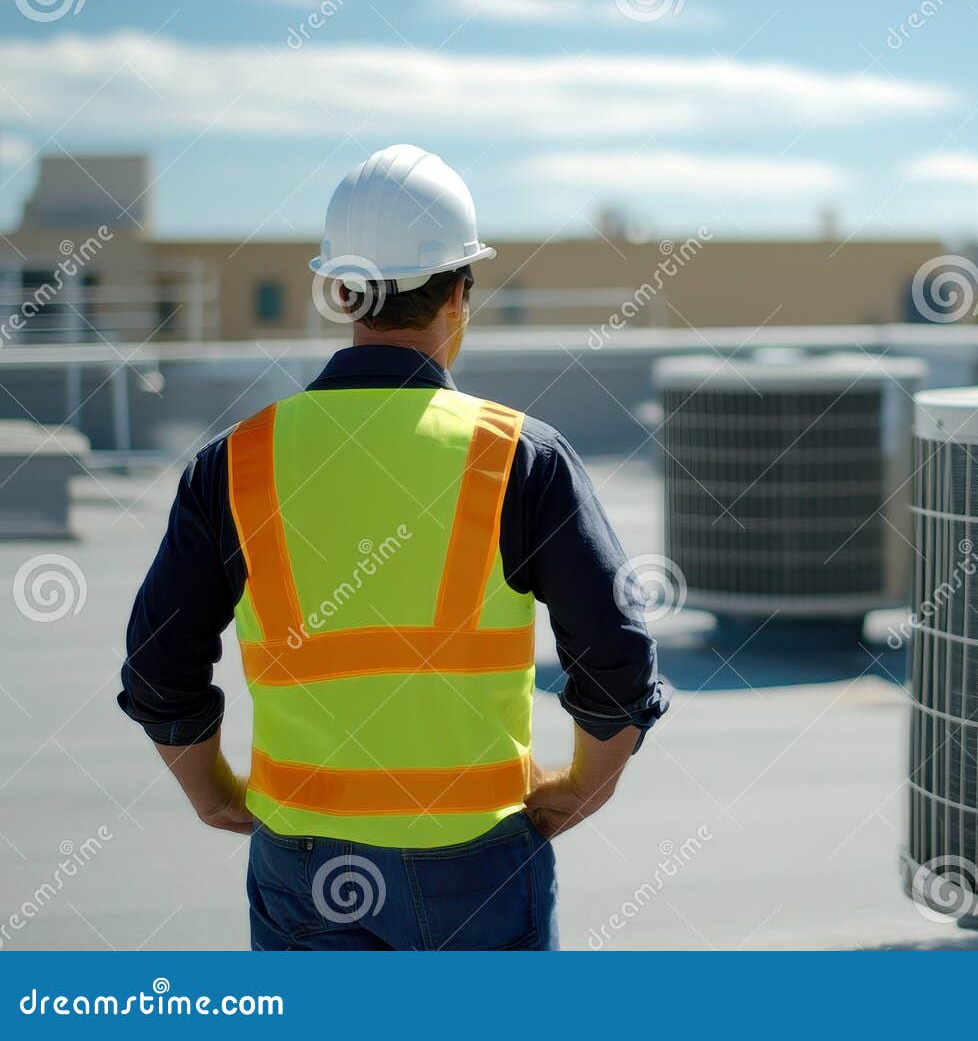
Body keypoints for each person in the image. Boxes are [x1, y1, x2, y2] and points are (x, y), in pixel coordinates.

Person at [119, 144, 669, 950]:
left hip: (302, 858)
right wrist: (584, 788)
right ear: (462, 292)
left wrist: (214, 794)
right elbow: (618, 655)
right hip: (477, 862)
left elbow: (158, 667)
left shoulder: (235, 463)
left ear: (341, 291)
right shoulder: (522, 456)